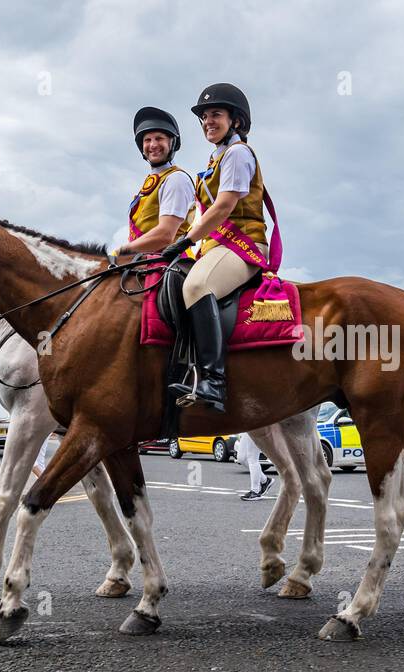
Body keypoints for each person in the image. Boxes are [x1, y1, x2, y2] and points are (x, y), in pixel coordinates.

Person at [157, 83, 282, 414]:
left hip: (244, 246)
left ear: (236, 121)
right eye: (205, 116)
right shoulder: (216, 159)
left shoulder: (238, 154)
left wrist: (186, 240)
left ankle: (214, 380)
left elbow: (224, 207)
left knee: (197, 285)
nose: (208, 121)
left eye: (216, 115)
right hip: (218, 247)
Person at [114, 106, 196, 257]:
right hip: (144, 260)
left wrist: (121, 252)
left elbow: (165, 235)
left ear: (172, 143)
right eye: (147, 140)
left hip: (168, 264)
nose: (153, 145)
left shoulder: (176, 179)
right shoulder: (153, 181)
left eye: (159, 138)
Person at [236, 433, 274, 501]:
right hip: (246, 429)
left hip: (255, 427)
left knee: (252, 458)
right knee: (241, 458)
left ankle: (255, 492)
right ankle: (265, 481)